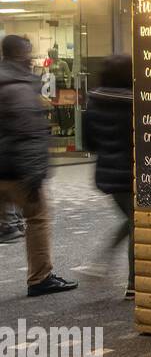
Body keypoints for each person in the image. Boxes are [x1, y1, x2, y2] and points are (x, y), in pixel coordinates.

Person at [0, 34, 78, 296]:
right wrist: (35, 176)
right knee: (37, 218)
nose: (33, 58)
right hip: (17, 169)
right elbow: (30, 135)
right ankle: (40, 277)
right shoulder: (19, 87)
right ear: (20, 55)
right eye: (29, 53)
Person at [83, 54, 135, 296]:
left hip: (107, 171)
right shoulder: (135, 102)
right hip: (132, 170)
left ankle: (103, 262)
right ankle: (133, 282)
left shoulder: (94, 101)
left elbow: (89, 142)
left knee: (133, 220)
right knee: (137, 223)